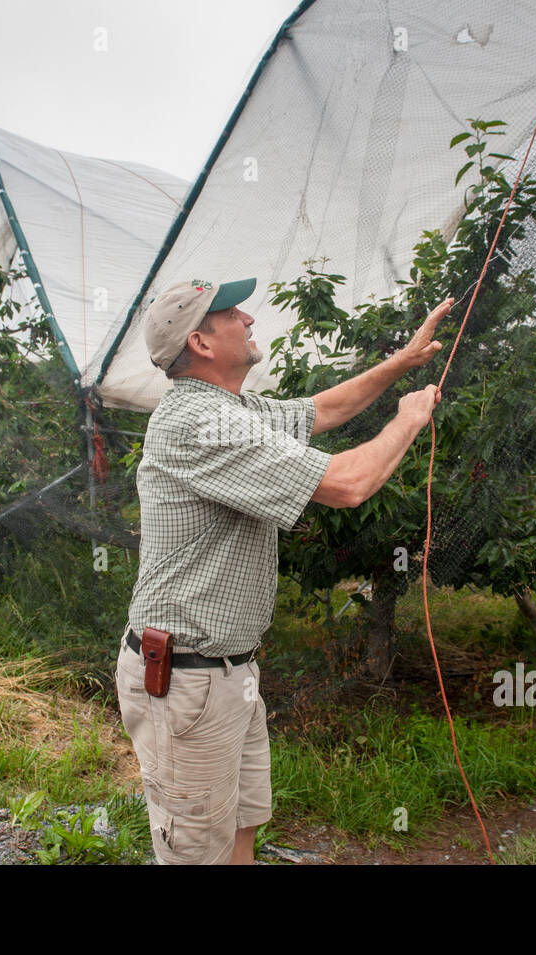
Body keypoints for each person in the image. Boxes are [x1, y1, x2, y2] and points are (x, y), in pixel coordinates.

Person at [116, 276, 451, 864]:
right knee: (197, 853)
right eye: (231, 314)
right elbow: (347, 485)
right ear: (200, 341)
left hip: (229, 673)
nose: (248, 319)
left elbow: (324, 409)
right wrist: (409, 420)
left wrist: (403, 361)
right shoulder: (199, 423)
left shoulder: (230, 408)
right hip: (187, 680)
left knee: (241, 830)